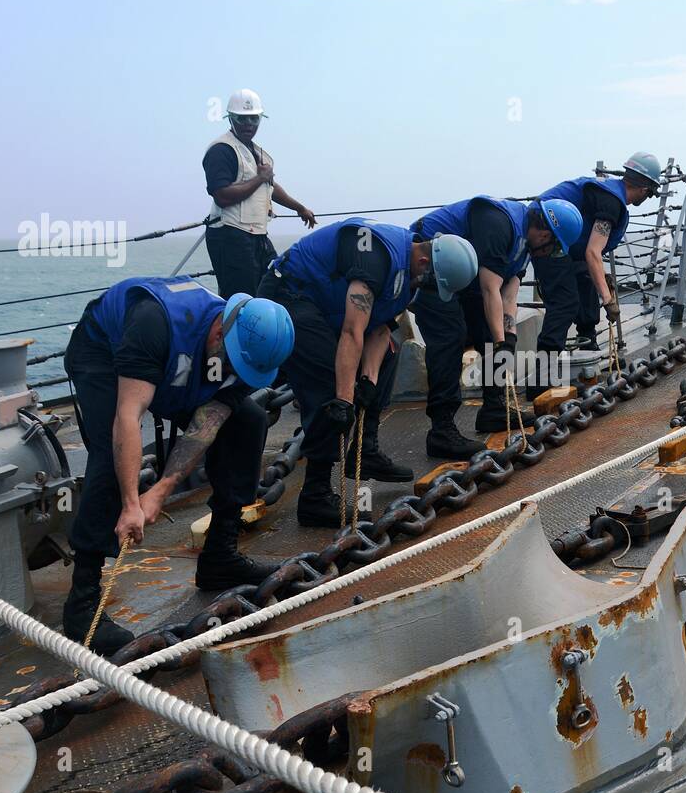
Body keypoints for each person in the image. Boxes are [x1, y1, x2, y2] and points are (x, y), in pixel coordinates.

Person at [63, 277, 295, 655]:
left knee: (247, 421)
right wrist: (131, 503)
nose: (236, 371)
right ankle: (82, 602)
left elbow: (208, 423)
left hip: (178, 361)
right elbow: (128, 415)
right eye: (233, 362)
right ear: (221, 330)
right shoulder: (153, 323)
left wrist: (159, 492)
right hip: (102, 352)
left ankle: (219, 555)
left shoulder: (242, 351)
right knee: (109, 452)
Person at [258, 219, 478, 527]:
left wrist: (368, 382)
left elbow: (380, 330)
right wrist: (345, 400)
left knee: (390, 351)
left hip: (326, 309)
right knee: (329, 379)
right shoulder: (376, 258)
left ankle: (365, 449)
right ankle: (315, 496)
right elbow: (352, 331)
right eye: (430, 284)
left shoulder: (412, 272)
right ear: (424, 261)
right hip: (289, 296)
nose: (425, 290)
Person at [410, 196, 583, 459]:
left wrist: (507, 338)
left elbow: (507, 296)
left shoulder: (525, 247)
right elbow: (489, 289)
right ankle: (441, 431)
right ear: (545, 233)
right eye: (555, 247)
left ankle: (494, 408)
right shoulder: (499, 225)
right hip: (429, 271)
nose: (551, 254)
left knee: (493, 336)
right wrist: (501, 340)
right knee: (450, 337)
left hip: (464, 279)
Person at [529, 153, 661, 397]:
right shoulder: (611, 201)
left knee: (587, 280)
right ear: (645, 188)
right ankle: (540, 382)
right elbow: (593, 252)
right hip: (545, 236)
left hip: (562, 243)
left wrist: (600, 279)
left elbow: (589, 254)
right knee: (564, 303)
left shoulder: (609, 192)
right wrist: (609, 301)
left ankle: (587, 346)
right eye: (650, 192)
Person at [202, 89, 318, 299]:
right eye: (242, 119)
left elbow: (270, 187)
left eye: (254, 119)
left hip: (256, 235)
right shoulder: (221, 151)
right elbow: (222, 196)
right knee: (242, 297)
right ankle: (232, 330)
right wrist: (260, 178)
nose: (249, 125)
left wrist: (299, 208)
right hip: (230, 235)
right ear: (230, 118)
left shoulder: (254, 150)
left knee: (276, 283)